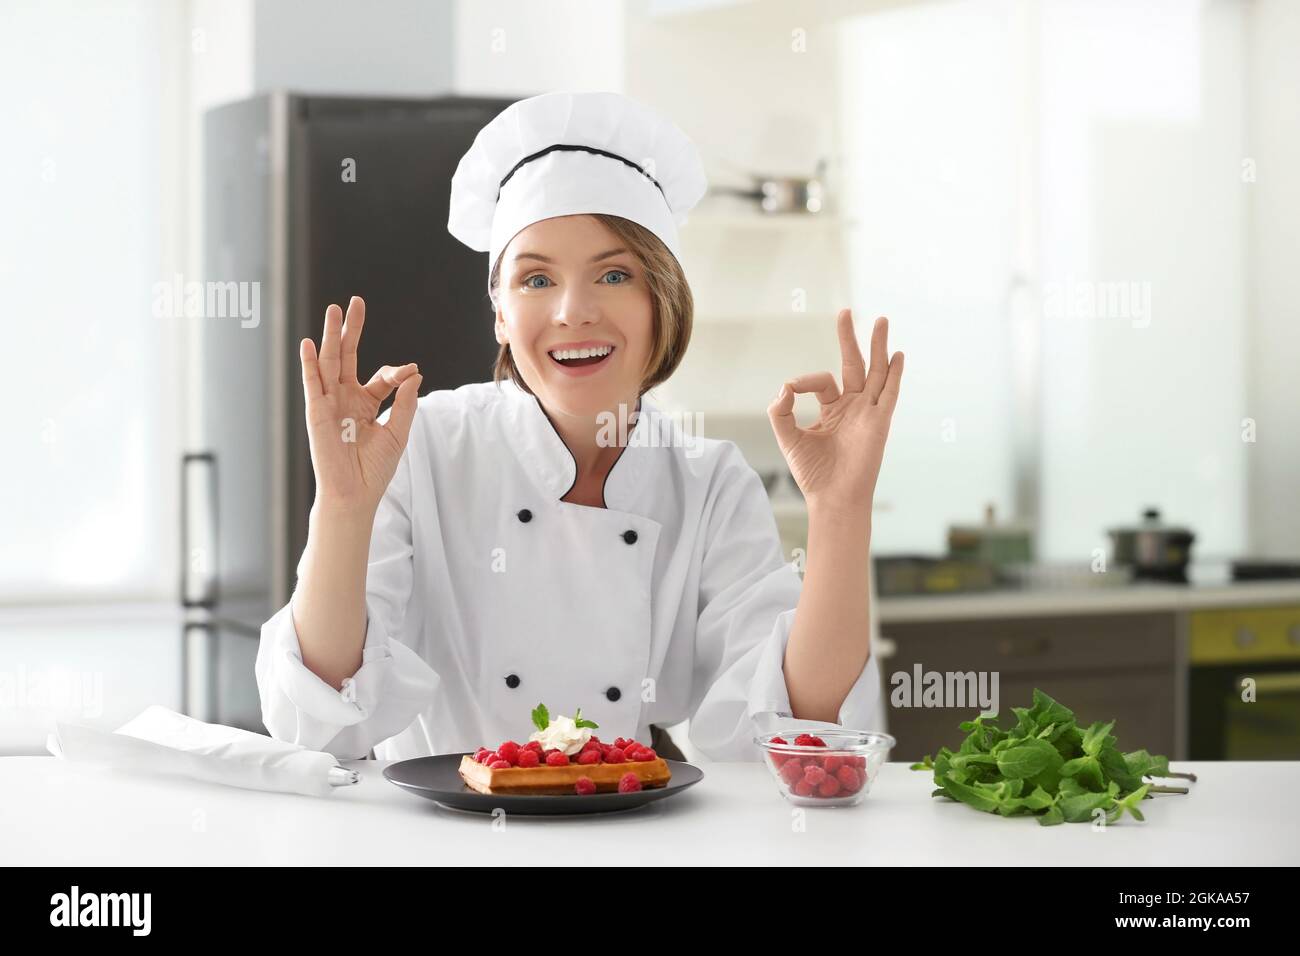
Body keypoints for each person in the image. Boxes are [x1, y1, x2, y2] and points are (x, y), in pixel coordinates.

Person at [255, 91, 904, 762]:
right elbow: (319, 722)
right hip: (450, 844)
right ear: (500, 313)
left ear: (663, 300)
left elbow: (803, 737)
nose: (574, 311)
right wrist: (341, 507)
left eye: (614, 274)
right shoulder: (424, 447)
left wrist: (841, 508)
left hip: (630, 836)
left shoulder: (707, 482)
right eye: (536, 280)